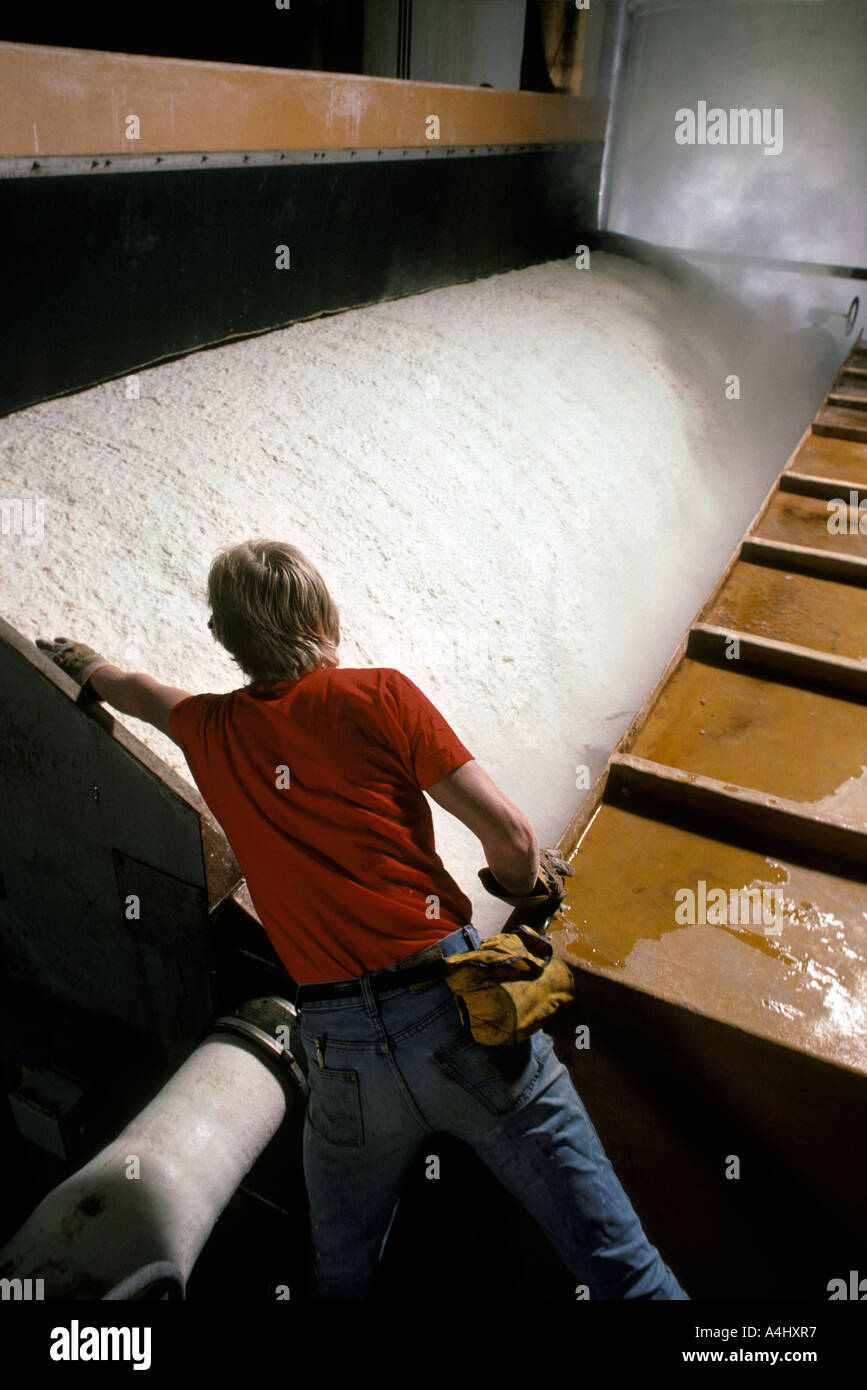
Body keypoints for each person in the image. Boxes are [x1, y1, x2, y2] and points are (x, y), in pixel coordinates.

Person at [37, 538, 688, 1301]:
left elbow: (140, 693)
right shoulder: (380, 697)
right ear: (321, 614)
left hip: (339, 1054)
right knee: (621, 1269)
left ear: (224, 637)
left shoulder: (208, 729)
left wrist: (85, 665)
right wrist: (527, 892)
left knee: (340, 1277)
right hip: (456, 1014)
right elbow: (510, 838)